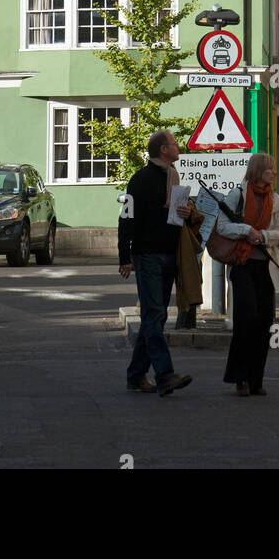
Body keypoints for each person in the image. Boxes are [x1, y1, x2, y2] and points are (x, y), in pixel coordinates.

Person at [118, 130, 194, 397]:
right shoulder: (140, 179)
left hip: (169, 253)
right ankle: (165, 375)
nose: (177, 146)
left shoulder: (174, 176)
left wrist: (186, 211)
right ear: (163, 149)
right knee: (155, 315)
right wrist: (124, 257)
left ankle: (136, 375)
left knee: (155, 317)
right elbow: (125, 218)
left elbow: (177, 217)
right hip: (147, 254)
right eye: (174, 143)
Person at [216, 151, 279, 397]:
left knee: (265, 322)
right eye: (269, 169)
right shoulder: (238, 195)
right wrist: (248, 230)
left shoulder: (274, 199)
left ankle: (257, 378)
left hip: (265, 266)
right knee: (247, 318)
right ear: (257, 171)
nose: (273, 173)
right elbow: (222, 226)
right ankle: (240, 377)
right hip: (242, 264)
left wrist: (263, 236)